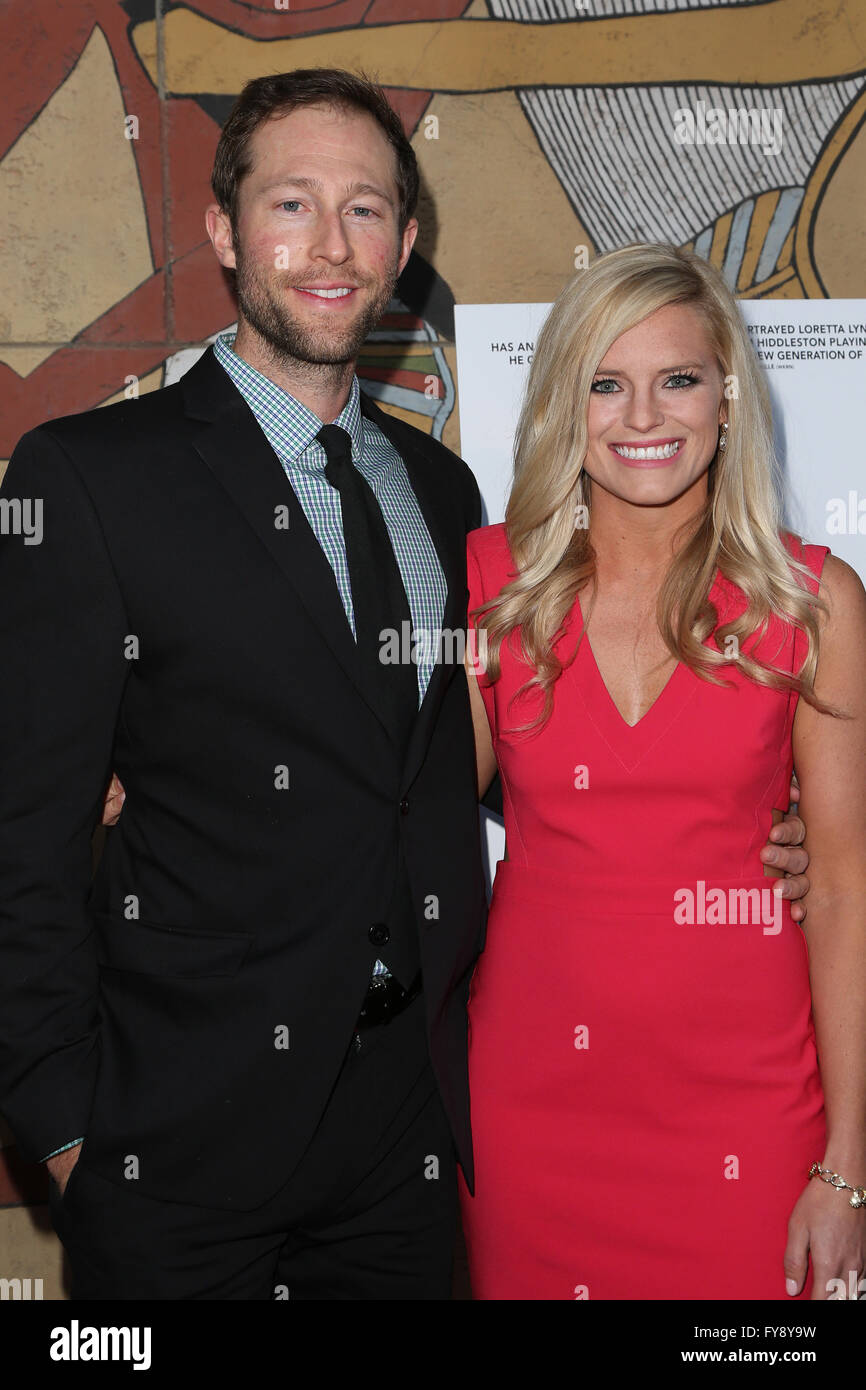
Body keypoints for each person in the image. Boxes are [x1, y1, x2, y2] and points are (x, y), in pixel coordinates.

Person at [0, 75, 809, 1301]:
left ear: (406, 245)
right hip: (178, 1138)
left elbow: (436, 772)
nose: (330, 246)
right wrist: (67, 1131)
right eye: (291, 203)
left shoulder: (443, 499)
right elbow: (23, 839)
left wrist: (771, 821)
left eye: (365, 209)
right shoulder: (91, 477)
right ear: (223, 232)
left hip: (409, 1142)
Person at [460, 243, 866, 1301]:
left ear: (726, 399)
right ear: (564, 404)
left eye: (676, 378)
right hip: (531, 1112)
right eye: (605, 382)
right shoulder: (492, 584)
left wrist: (848, 1164)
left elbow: (839, 887)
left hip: (748, 1109)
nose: (642, 414)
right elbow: (393, 803)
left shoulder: (810, 603)